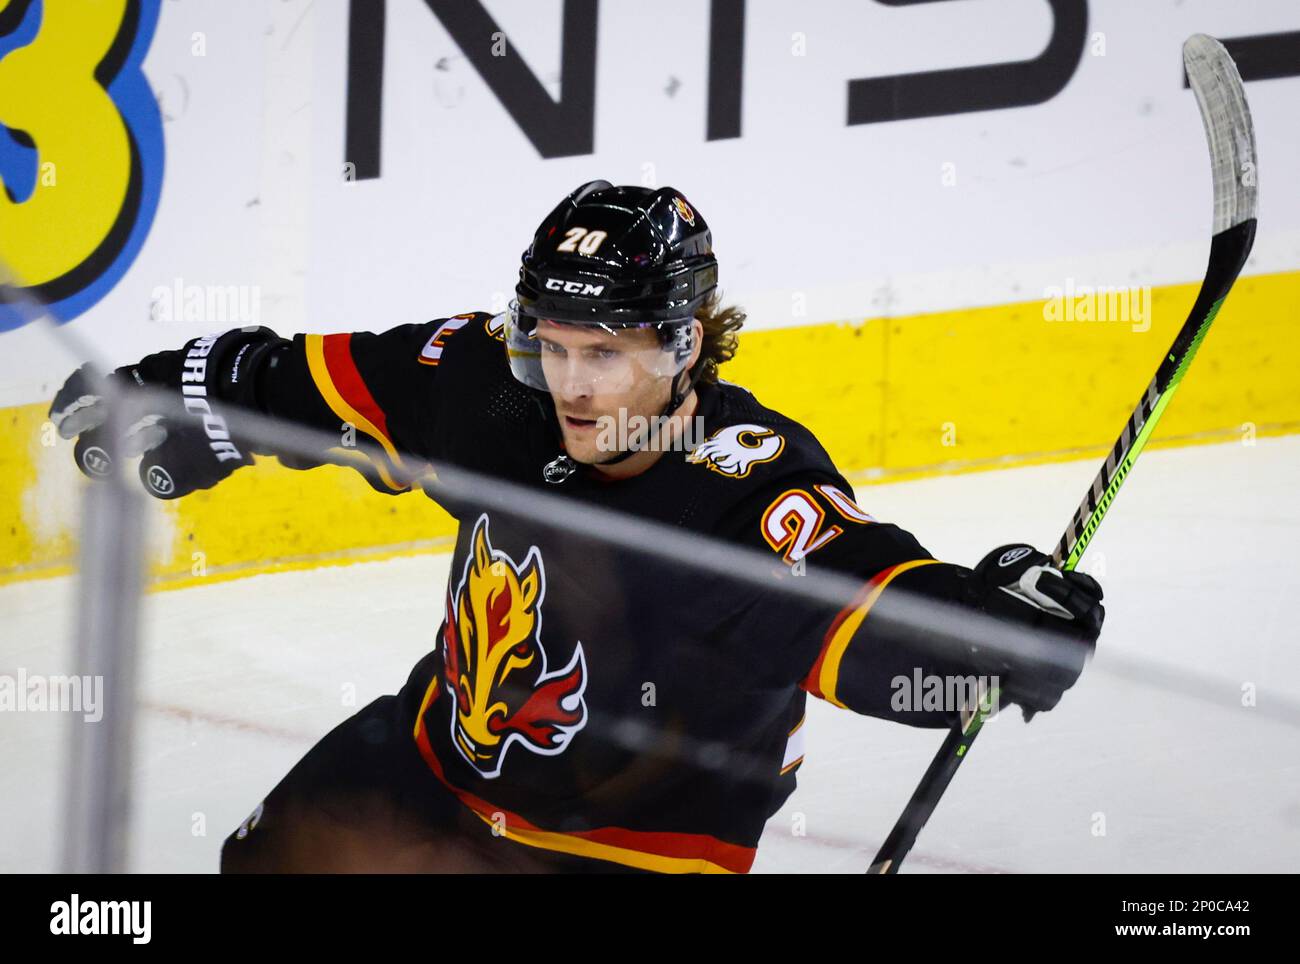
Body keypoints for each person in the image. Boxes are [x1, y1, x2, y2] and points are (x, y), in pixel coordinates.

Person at [49, 181, 1104, 873]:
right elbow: (313, 380)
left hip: (629, 851)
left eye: (604, 353)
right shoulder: (496, 388)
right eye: (552, 347)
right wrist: (185, 402)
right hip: (430, 765)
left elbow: (878, 618)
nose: (571, 385)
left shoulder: (743, 490)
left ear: (686, 343)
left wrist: (996, 632)